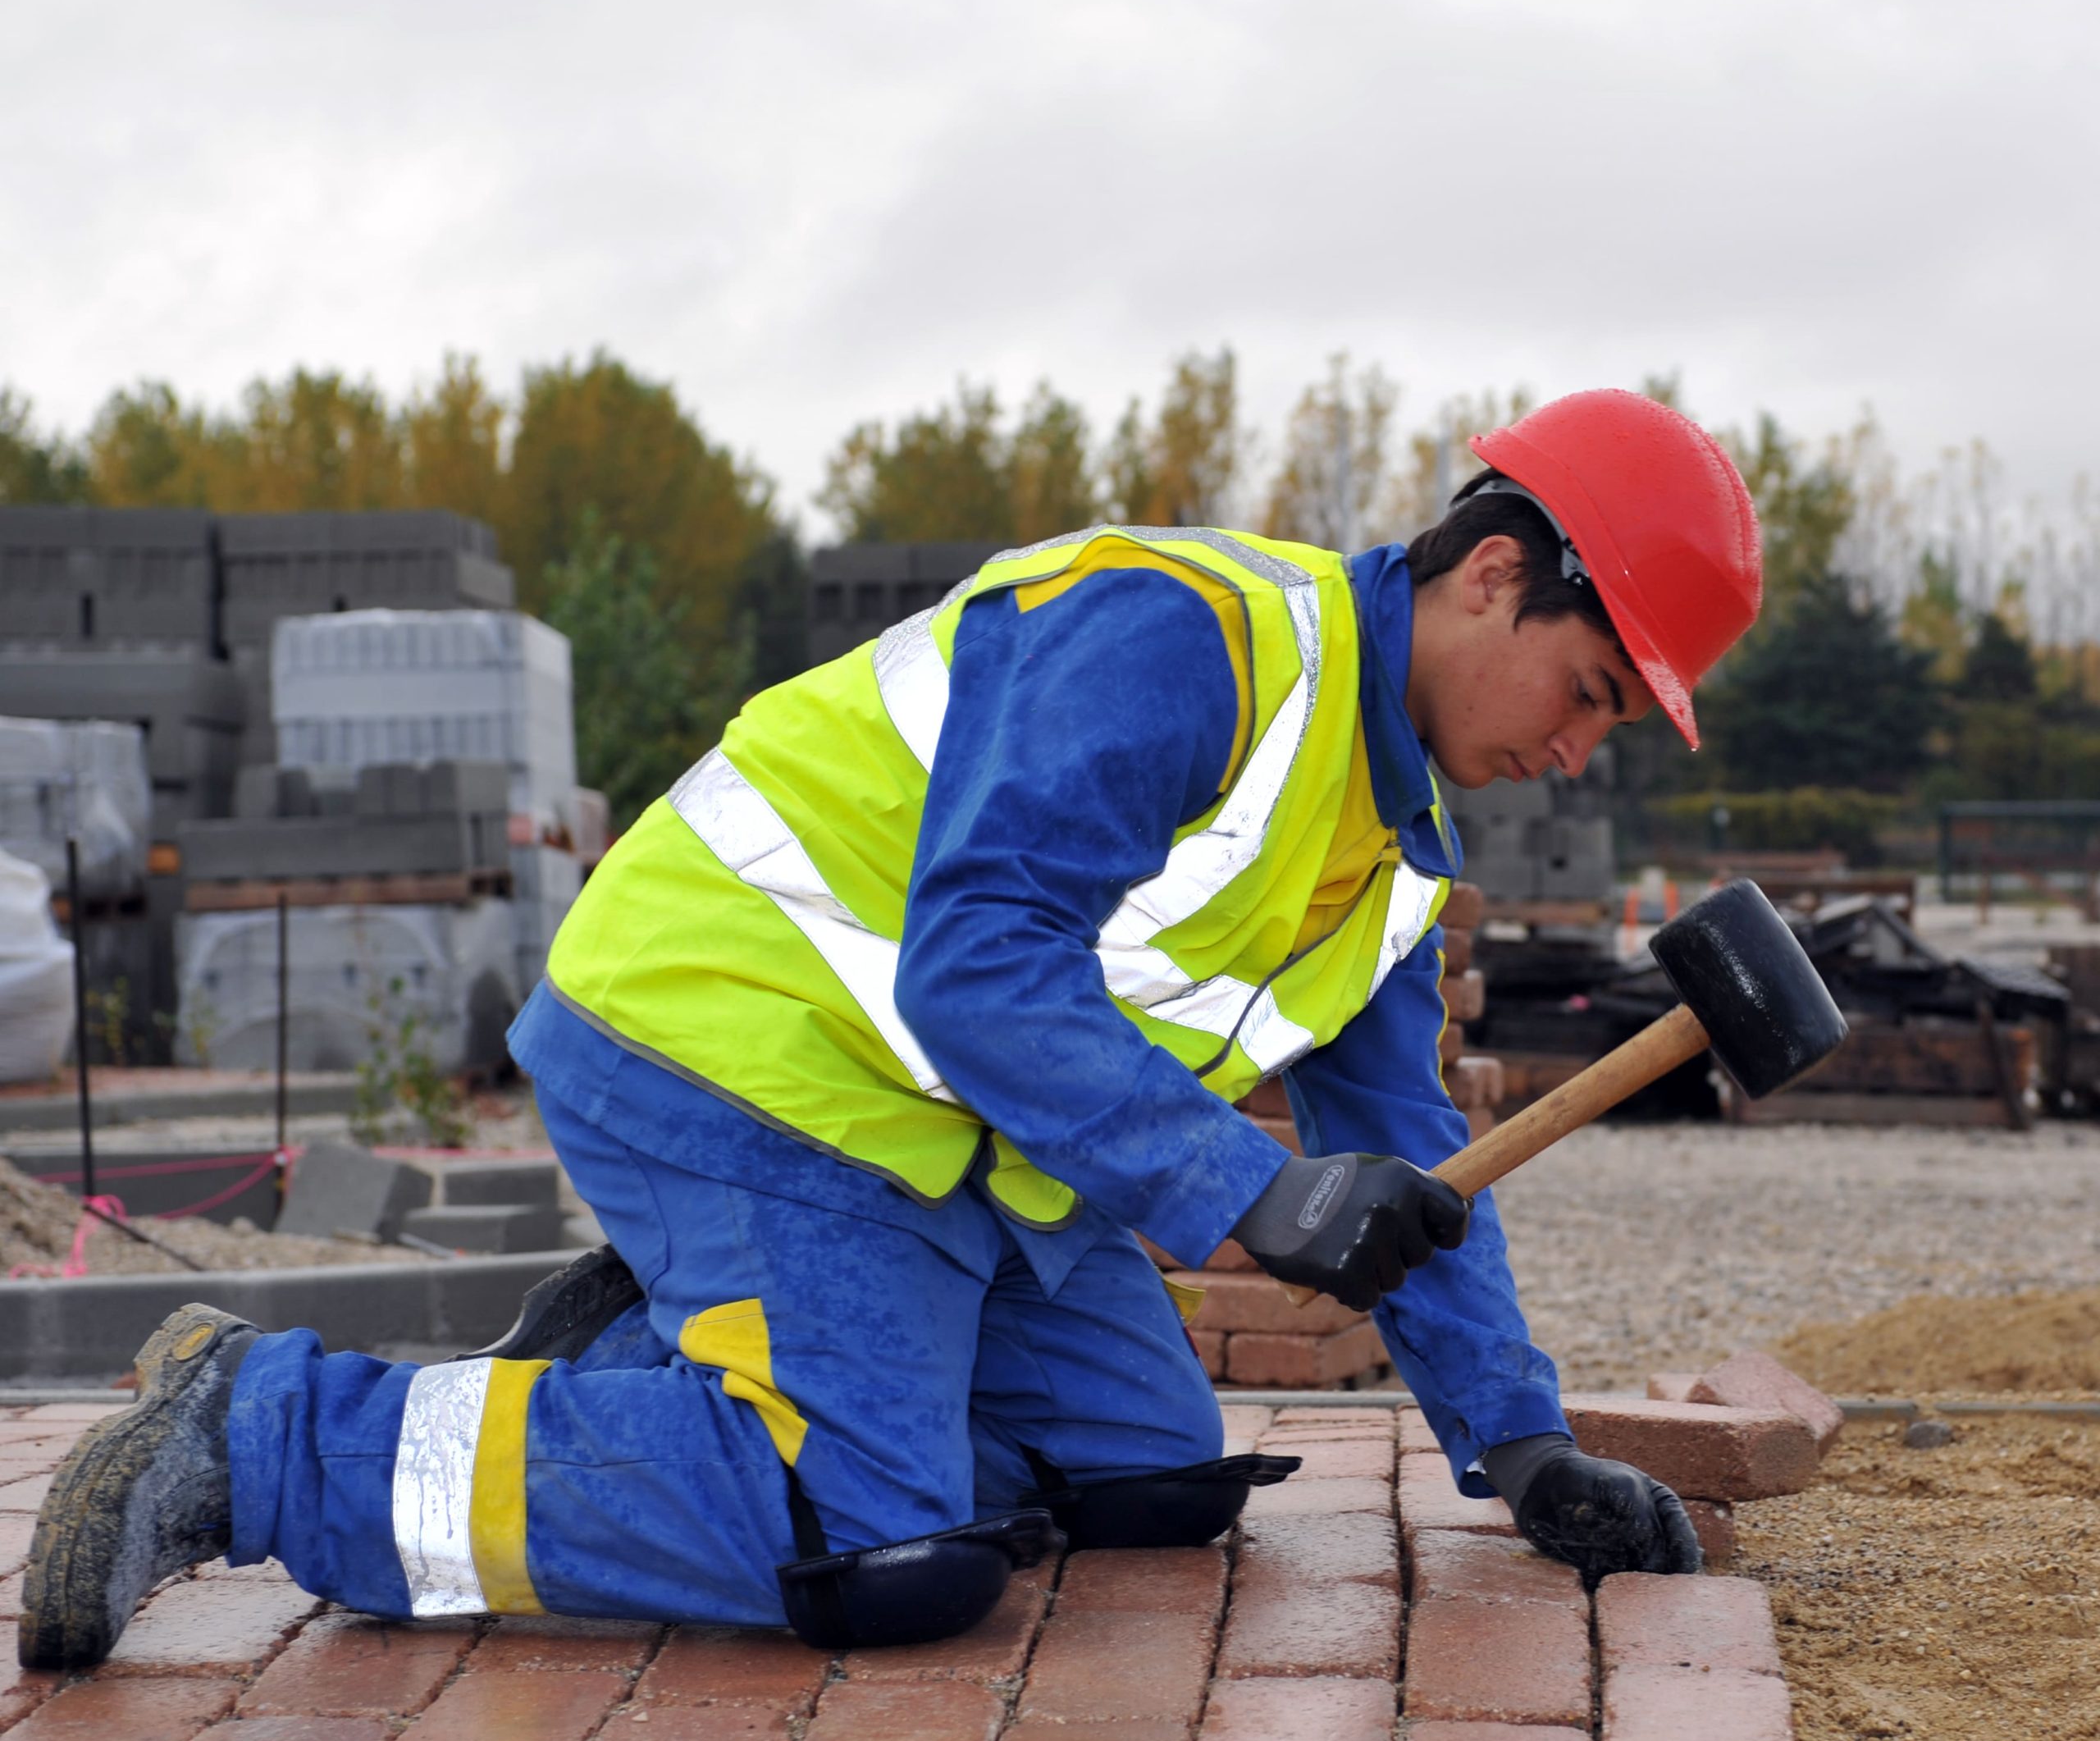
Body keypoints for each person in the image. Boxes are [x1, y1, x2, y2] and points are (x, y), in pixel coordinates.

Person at [19, 387, 1760, 1670]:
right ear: (1489, 572)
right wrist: (1246, 1189)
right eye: (1590, 691)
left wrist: (1515, 1441)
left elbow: (1412, 1175)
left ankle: (692, 1370)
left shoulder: (1392, 849)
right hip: (736, 1044)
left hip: (948, 1148)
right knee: (883, 1549)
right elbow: (976, 975)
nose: (1573, 748)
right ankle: (263, 1432)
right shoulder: (1190, 637)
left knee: (1151, 1480)